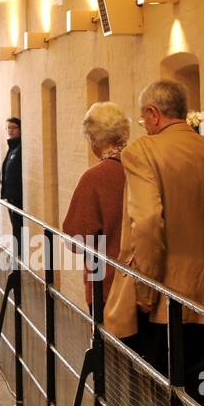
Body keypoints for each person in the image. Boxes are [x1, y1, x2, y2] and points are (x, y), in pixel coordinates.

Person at [105, 79, 204, 406]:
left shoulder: (142, 152)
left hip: (162, 303)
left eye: (142, 119)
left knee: (158, 402)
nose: (143, 126)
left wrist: (146, 290)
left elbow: (149, 223)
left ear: (153, 114)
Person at [61, 103, 128, 308]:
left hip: (107, 284)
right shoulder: (143, 168)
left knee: (107, 339)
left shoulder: (95, 177)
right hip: (144, 286)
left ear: (92, 139)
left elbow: (75, 238)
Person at [1, 117, 24, 251]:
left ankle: (18, 259)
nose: (10, 130)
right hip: (11, 195)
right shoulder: (13, 147)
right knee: (16, 228)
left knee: (18, 228)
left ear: (20, 129)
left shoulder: (20, 148)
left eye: (13, 128)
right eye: (8, 128)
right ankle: (18, 257)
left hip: (17, 196)